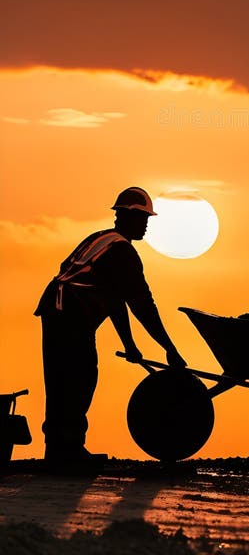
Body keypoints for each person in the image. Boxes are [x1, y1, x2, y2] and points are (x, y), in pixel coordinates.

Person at [35, 186, 187, 466]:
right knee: (80, 376)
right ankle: (68, 448)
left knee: (60, 378)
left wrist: (130, 345)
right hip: (71, 311)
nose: (146, 226)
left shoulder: (101, 239)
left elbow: (116, 302)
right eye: (143, 219)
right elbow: (142, 305)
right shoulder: (122, 251)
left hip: (55, 309)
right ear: (128, 216)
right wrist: (170, 349)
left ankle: (57, 448)